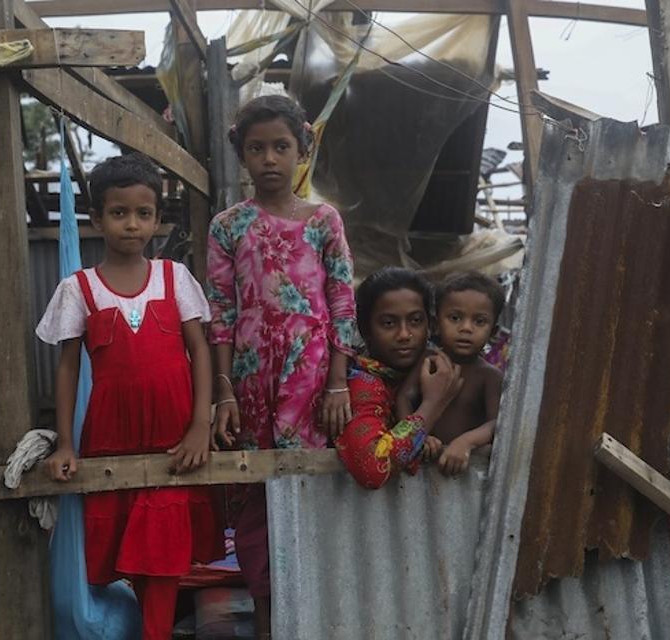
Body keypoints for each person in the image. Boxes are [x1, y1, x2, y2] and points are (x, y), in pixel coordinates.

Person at [37, 153, 222, 640]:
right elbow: (68, 366)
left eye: (144, 214)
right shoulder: (78, 288)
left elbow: (199, 349)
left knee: (162, 560)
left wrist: (200, 424)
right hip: (112, 441)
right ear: (96, 219)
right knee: (131, 558)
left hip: (176, 441)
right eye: (119, 213)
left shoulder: (173, 277)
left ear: (158, 219)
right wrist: (66, 443)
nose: (132, 225)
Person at [206, 94, 357, 639]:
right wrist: (223, 394)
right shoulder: (228, 225)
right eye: (256, 148)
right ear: (241, 155)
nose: (269, 159)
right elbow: (221, 313)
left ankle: (314, 618)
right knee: (255, 502)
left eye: (280, 147)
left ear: (302, 149)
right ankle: (267, 623)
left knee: (309, 495)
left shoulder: (323, 220)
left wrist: (338, 383)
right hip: (250, 384)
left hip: (311, 382)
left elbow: (342, 305)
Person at [336, 267, 463, 488]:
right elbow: (373, 467)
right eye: (388, 323)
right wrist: (432, 405)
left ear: (430, 324)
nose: (404, 335)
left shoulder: (441, 370)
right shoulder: (362, 383)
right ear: (365, 330)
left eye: (415, 321)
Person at [421, 271, 504, 476]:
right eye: (455, 318)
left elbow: (496, 424)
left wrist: (466, 442)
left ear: (493, 332)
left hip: (464, 472)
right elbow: (404, 398)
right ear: (435, 324)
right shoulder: (427, 362)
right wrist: (419, 435)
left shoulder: (490, 376)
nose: (466, 328)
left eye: (479, 321)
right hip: (422, 465)